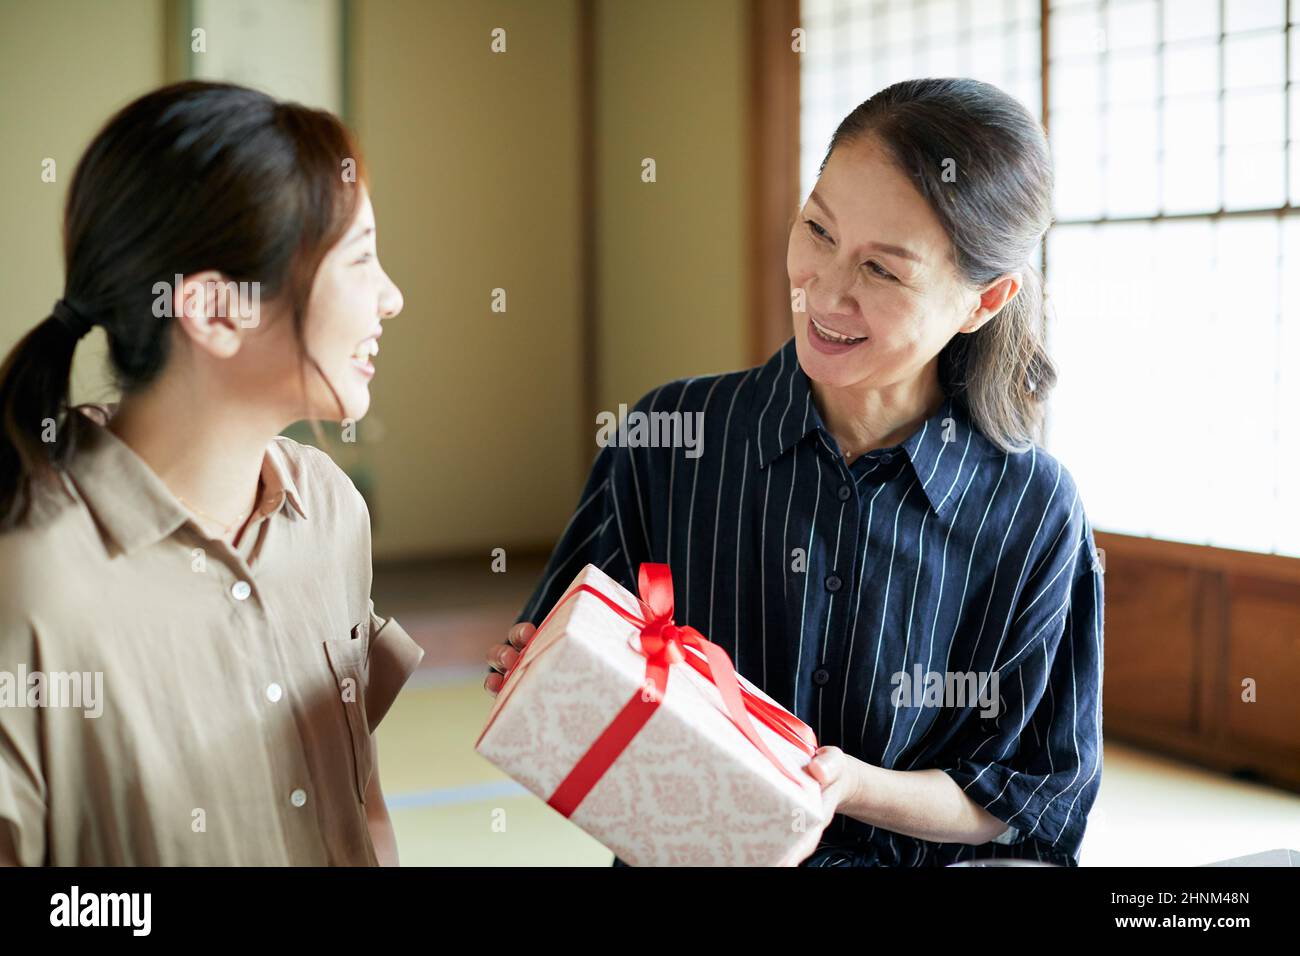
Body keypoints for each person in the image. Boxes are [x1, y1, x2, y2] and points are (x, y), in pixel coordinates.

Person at [486, 78, 1103, 867]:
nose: (825, 289)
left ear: (984, 300)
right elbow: (580, 673)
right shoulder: (669, 440)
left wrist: (851, 786)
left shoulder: (1034, 510)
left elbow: (1028, 797)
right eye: (818, 229)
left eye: (883, 271)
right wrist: (543, 674)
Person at [0, 81, 420, 865]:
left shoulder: (330, 514)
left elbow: (359, 804)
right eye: (360, 260)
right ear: (216, 311)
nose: (391, 298)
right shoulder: (33, 581)